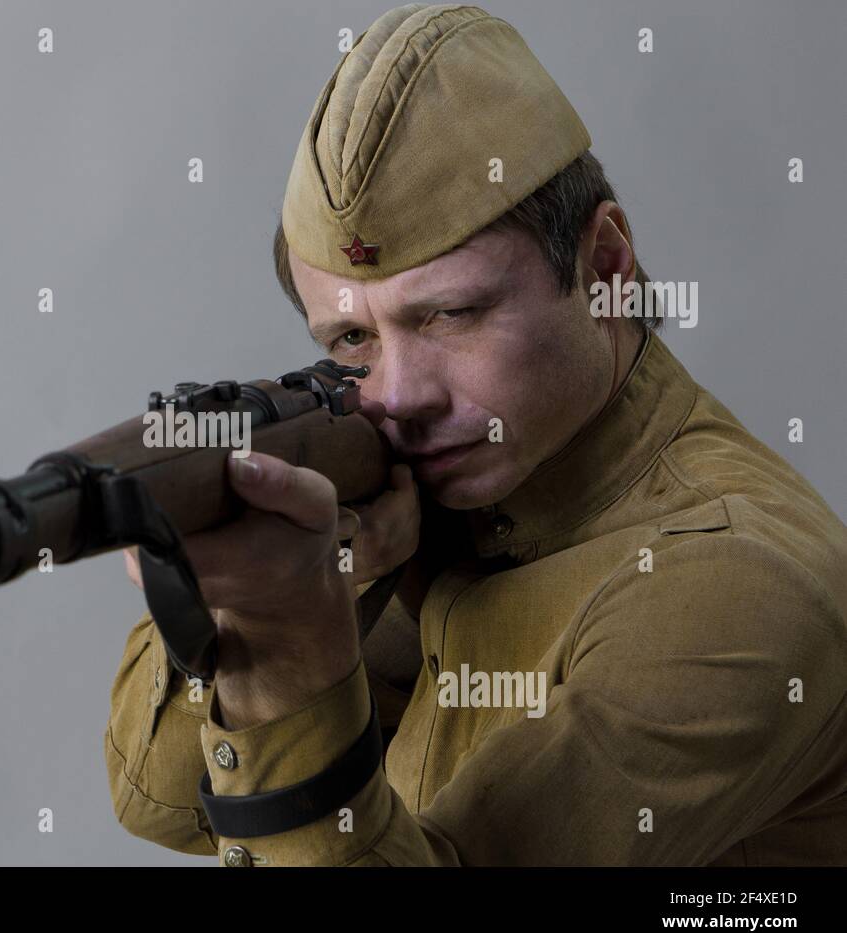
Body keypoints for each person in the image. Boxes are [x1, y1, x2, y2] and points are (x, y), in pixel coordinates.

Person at [104, 2, 847, 865]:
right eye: (352, 339)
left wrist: (294, 645)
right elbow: (159, 800)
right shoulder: (416, 497)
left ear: (604, 267)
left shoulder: (734, 587)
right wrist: (328, 585)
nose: (398, 394)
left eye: (453, 313)